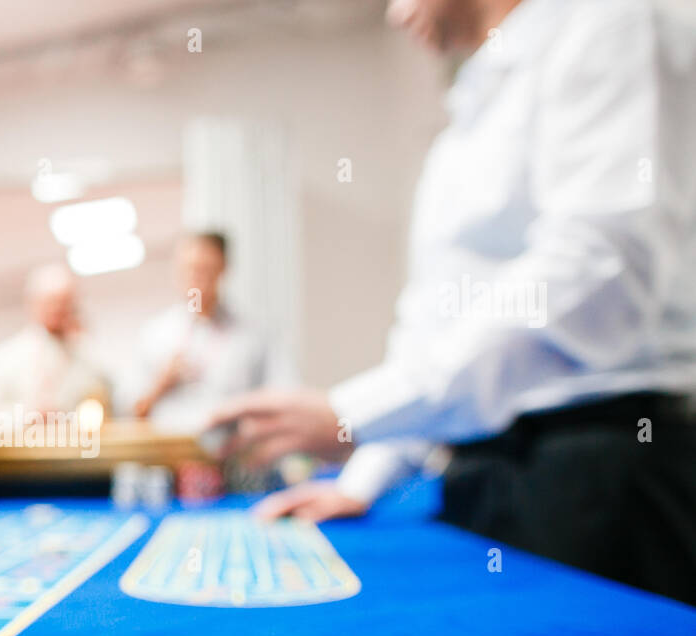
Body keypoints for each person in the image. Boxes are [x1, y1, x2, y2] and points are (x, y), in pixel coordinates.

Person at [211, 0, 696, 605]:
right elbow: (435, 327)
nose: (393, 15)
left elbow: (598, 274)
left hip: (603, 471)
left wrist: (354, 411)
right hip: (483, 474)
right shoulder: (465, 120)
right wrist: (365, 477)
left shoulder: (611, 21)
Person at [124, 232, 266, 432]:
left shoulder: (250, 335)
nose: (196, 279)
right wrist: (161, 385)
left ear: (223, 269)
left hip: (229, 454)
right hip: (168, 455)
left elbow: (273, 401)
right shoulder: (155, 334)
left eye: (205, 270)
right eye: (188, 270)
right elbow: (132, 412)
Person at [0, 264, 110, 427]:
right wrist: (27, 417)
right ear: (31, 302)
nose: (59, 309)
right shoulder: (3, 358)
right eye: (52, 301)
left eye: (66, 301)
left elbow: (100, 405)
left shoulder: (88, 359)